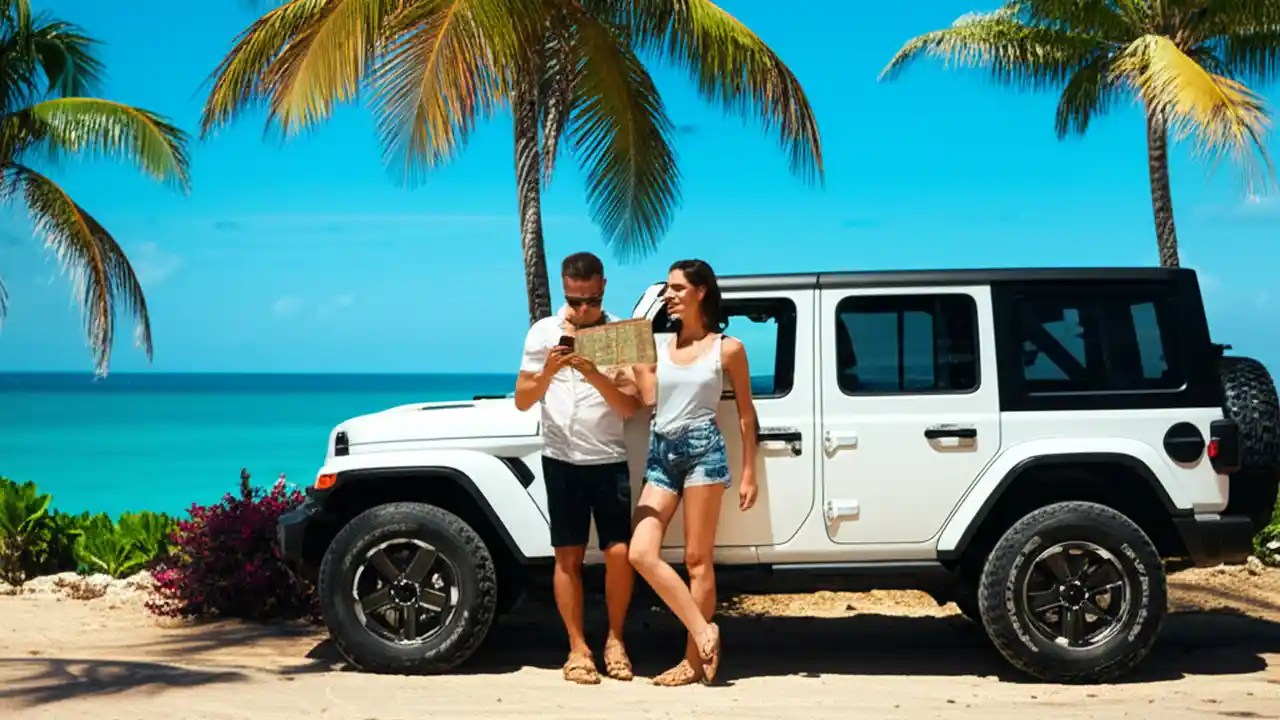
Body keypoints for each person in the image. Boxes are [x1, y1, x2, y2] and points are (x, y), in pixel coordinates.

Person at [514, 251, 643, 685]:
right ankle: (577, 647)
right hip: (561, 458)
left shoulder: (621, 332)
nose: (582, 310)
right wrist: (550, 369)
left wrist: (593, 373)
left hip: (608, 458)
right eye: (573, 301)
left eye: (589, 300)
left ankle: (615, 640)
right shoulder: (543, 332)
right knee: (567, 554)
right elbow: (523, 399)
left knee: (618, 553)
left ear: (603, 287)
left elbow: (631, 405)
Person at [629, 258, 758, 686]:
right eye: (668, 288)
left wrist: (748, 473)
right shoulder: (662, 345)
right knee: (640, 552)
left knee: (698, 561)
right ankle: (705, 632)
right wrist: (624, 359)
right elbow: (648, 397)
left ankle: (692, 661)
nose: (670, 295)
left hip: (704, 450)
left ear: (701, 291)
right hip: (662, 451)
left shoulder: (728, 348)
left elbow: (745, 415)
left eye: (678, 288)